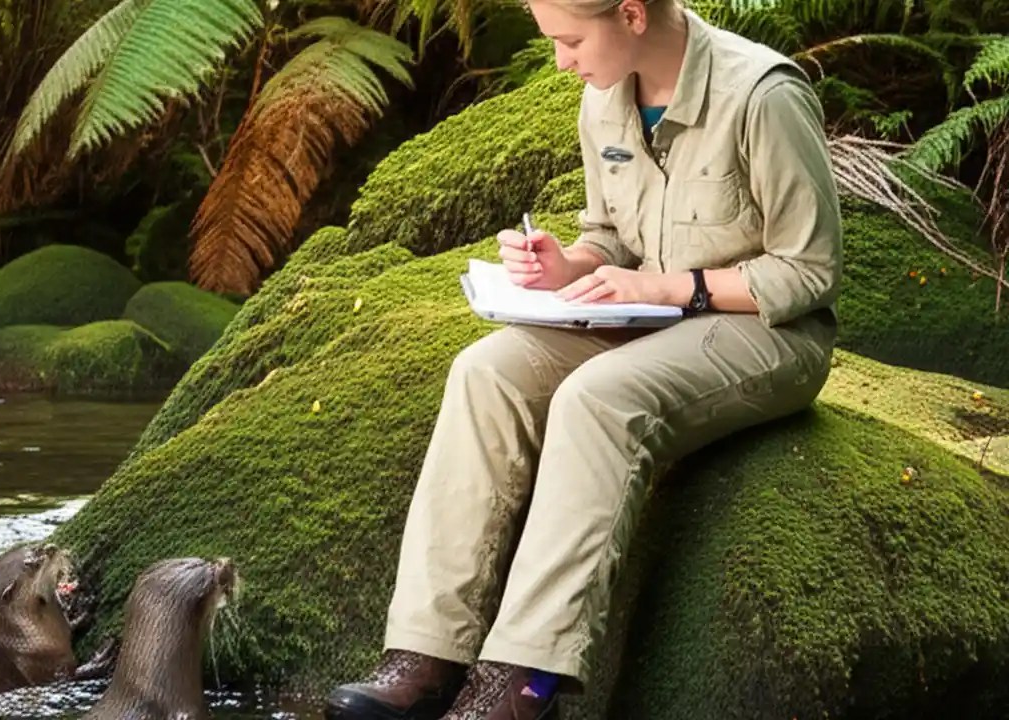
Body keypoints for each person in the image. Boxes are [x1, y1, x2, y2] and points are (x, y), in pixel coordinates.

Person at [324, 0, 842, 719]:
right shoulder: (603, 99)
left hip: (769, 331)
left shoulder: (763, 96)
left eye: (569, 40)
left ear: (631, 14)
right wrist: (566, 265)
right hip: (652, 315)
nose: (562, 61)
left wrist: (671, 287)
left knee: (597, 398)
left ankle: (522, 681)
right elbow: (611, 236)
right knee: (484, 372)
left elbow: (810, 271)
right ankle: (427, 654)